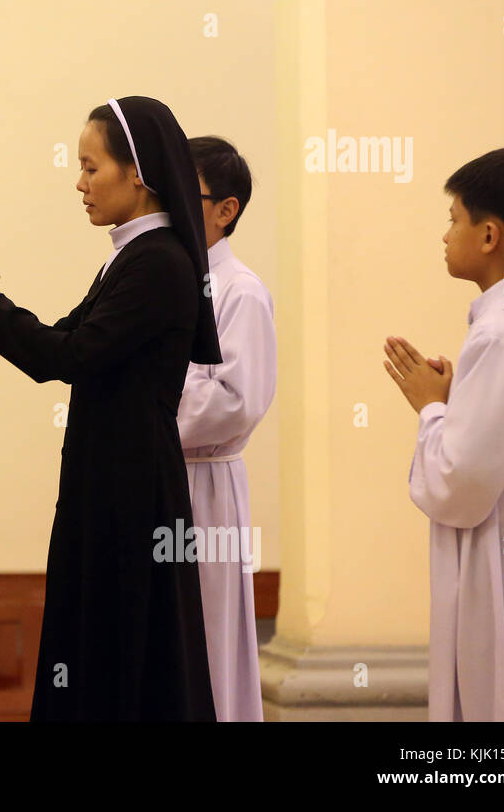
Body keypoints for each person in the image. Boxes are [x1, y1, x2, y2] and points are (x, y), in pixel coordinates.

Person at [0, 96, 221, 720]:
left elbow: (70, 357)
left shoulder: (158, 261)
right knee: (99, 637)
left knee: (127, 644)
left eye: (91, 167)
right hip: (109, 476)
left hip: (134, 486)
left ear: (138, 173)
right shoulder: (132, 253)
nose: (79, 183)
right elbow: (56, 343)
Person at [383, 147, 504, 721]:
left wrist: (432, 409)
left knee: (497, 686)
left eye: (454, 218)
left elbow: (460, 487)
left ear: (489, 236)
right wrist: (458, 401)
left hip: (498, 533)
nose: (445, 234)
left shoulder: (501, 334)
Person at [176, 136, 275, 721]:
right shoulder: (166, 278)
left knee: (208, 639)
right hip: (160, 476)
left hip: (206, 488)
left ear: (225, 209)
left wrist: (147, 396)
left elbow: (237, 400)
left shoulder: (241, 292)